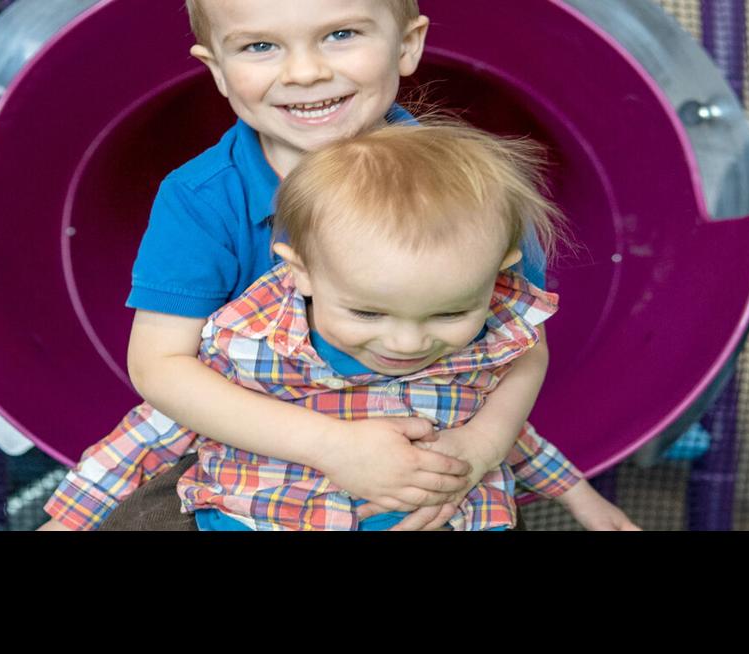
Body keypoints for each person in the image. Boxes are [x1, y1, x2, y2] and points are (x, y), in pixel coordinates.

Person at [42, 0, 567, 530]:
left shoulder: (475, 191)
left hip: (428, 432)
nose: (306, 72)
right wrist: (332, 446)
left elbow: (522, 345)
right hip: (249, 451)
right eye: (260, 46)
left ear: (406, 44)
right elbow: (160, 365)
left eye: (340, 34)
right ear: (218, 69)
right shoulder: (201, 199)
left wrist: (478, 447)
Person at [179, 121, 638, 530]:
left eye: (449, 313)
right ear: (302, 272)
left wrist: (579, 497)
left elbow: (507, 433)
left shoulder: (477, 352)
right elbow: (165, 425)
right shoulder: (253, 347)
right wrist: (102, 500)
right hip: (273, 515)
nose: (408, 343)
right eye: (367, 313)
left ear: (499, 277)